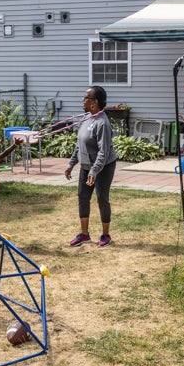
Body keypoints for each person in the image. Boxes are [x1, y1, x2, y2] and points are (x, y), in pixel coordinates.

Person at [64, 85, 117, 247]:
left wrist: (95, 170)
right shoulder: (87, 118)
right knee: (83, 197)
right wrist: (71, 164)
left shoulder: (102, 123)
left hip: (103, 166)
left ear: (94, 102)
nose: (83, 100)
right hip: (87, 166)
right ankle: (84, 234)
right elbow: (80, 144)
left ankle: (106, 235)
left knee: (102, 198)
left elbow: (104, 151)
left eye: (85, 98)